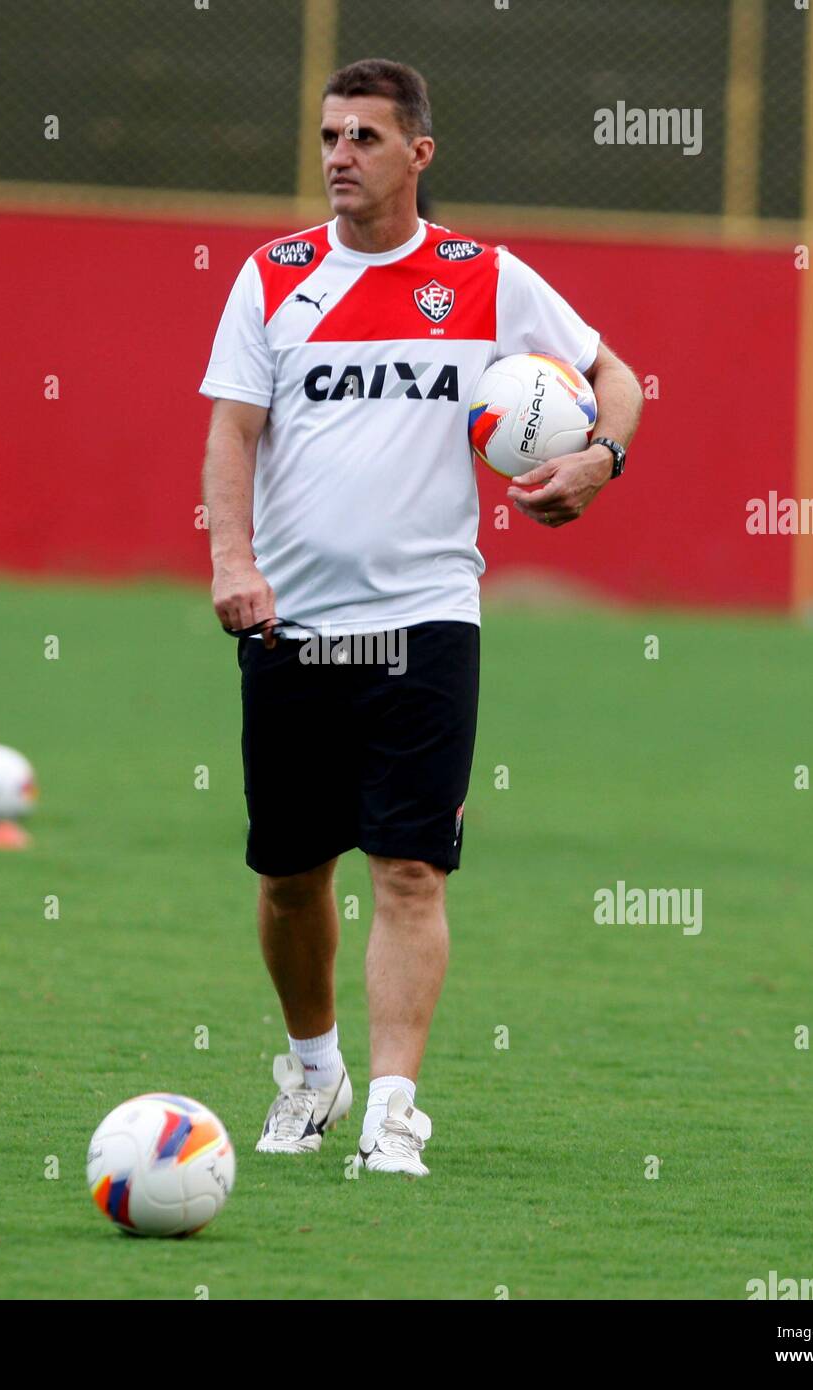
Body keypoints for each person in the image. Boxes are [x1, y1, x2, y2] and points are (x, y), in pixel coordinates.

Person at [199, 58, 642, 1176]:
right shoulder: (272, 277)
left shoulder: (485, 279)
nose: (340, 154)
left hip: (429, 619)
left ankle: (394, 1106)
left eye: (364, 136)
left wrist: (600, 456)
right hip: (290, 623)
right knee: (290, 875)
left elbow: (618, 378)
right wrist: (232, 562)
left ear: (418, 154)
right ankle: (313, 1069)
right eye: (329, 135)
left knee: (408, 868)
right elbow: (234, 434)